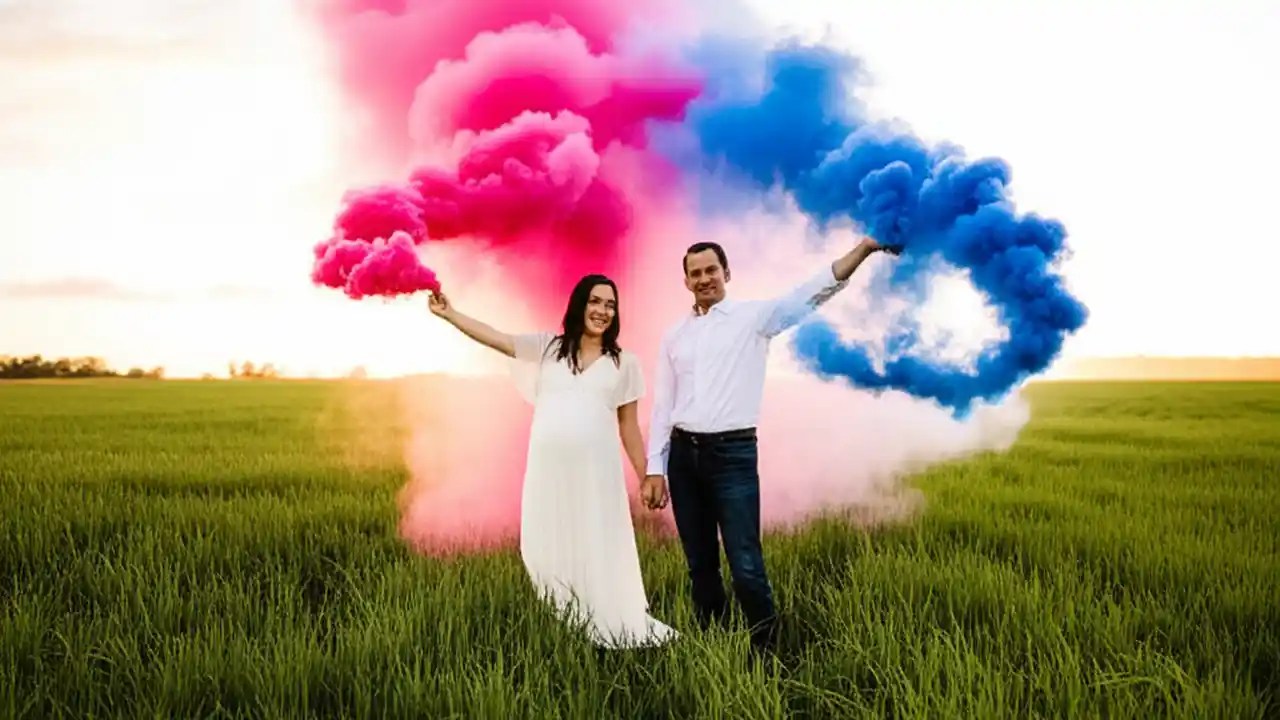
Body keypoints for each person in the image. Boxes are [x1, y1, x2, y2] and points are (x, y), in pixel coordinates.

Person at [641, 234, 899, 654]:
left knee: (745, 563)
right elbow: (663, 406)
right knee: (700, 563)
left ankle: (768, 651)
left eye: (711, 270)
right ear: (686, 281)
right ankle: (712, 642)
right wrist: (656, 466)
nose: (704, 279)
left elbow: (812, 292)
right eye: (695, 273)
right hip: (683, 458)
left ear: (726, 273)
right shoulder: (674, 337)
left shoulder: (754, 318)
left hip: (733, 456)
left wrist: (865, 249)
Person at [428, 274, 676, 650]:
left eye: (611, 305)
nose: (603, 311)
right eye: (596, 301)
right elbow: (495, 337)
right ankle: (566, 616)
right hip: (549, 473)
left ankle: (607, 616)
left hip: (597, 475)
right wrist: (450, 314)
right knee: (547, 543)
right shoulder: (548, 349)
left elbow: (628, 428)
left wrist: (648, 476)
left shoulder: (625, 363)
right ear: (580, 304)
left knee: (597, 539)